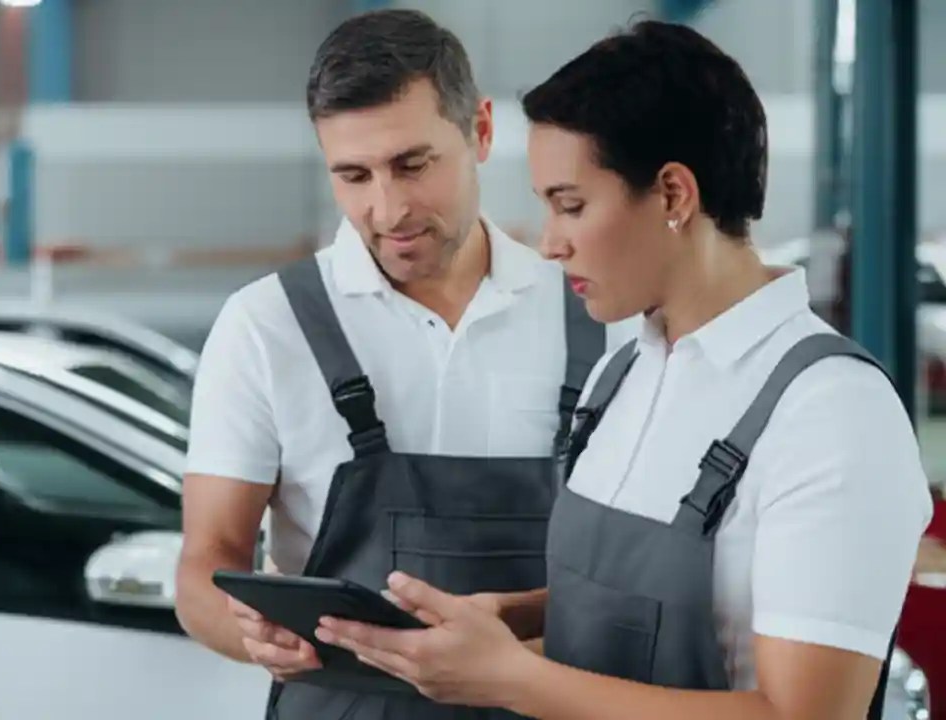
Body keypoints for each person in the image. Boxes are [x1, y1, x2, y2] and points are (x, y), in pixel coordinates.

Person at [314, 19, 935, 720]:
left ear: (673, 195)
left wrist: (508, 676)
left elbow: (804, 717)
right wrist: (506, 617)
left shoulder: (829, 413)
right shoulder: (620, 377)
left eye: (570, 206)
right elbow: (652, 610)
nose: (549, 244)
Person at [175, 9, 634, 719]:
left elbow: (643, 566)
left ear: (480, 131)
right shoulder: (264, 327)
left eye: (412, 166)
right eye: (353, 175)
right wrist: (247, 632)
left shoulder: (599, 316)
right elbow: (204, 568)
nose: (387, 209)